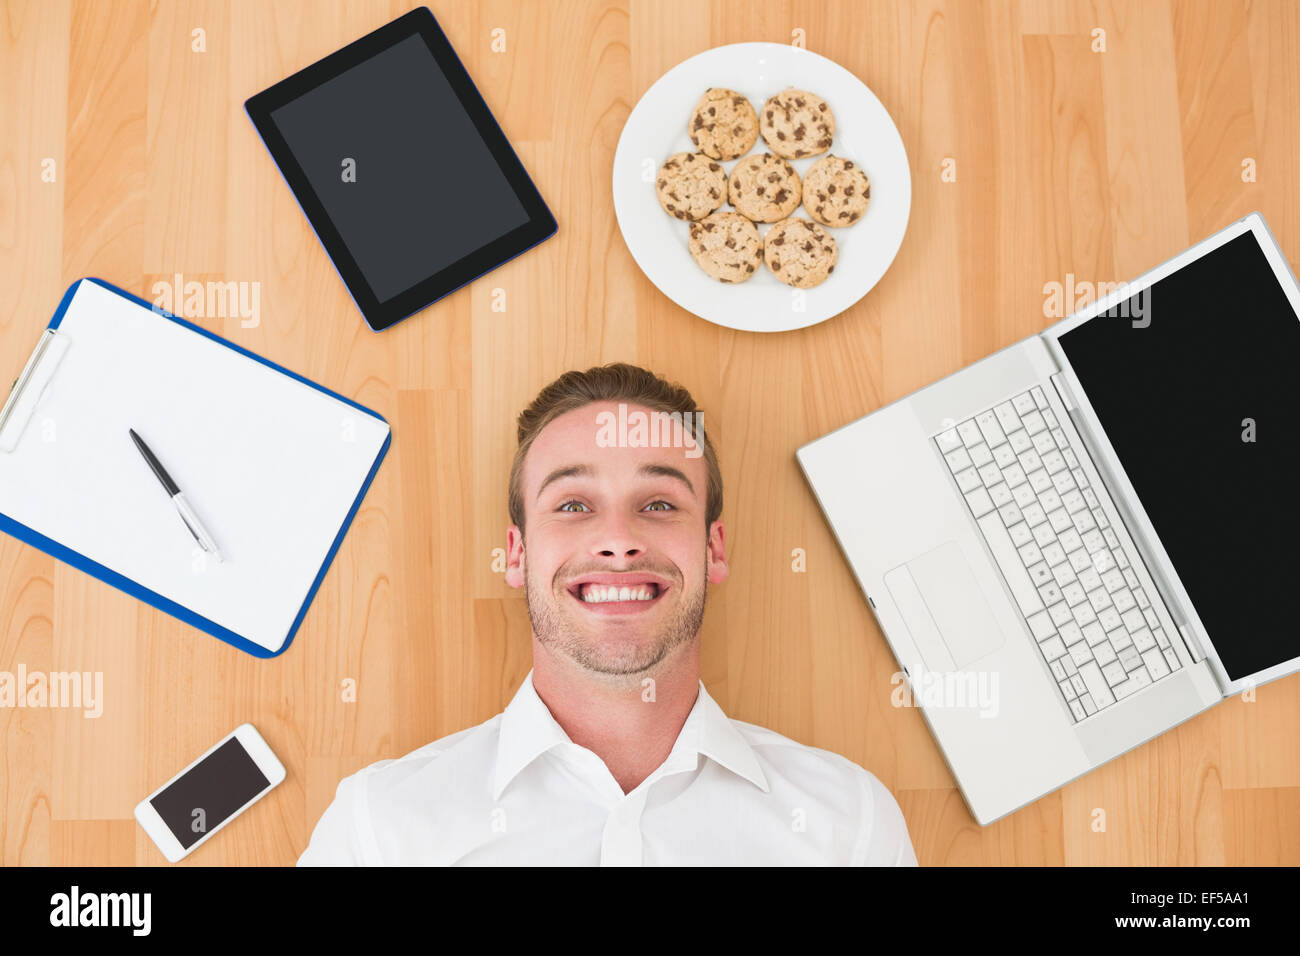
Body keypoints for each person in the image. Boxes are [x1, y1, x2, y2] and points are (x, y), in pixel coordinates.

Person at [299, 363, 917, 865]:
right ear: (517, 554)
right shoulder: (380, 828)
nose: (618, 539)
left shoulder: (849, 826)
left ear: (713, 549)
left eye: (657, 503)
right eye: (572, 505)